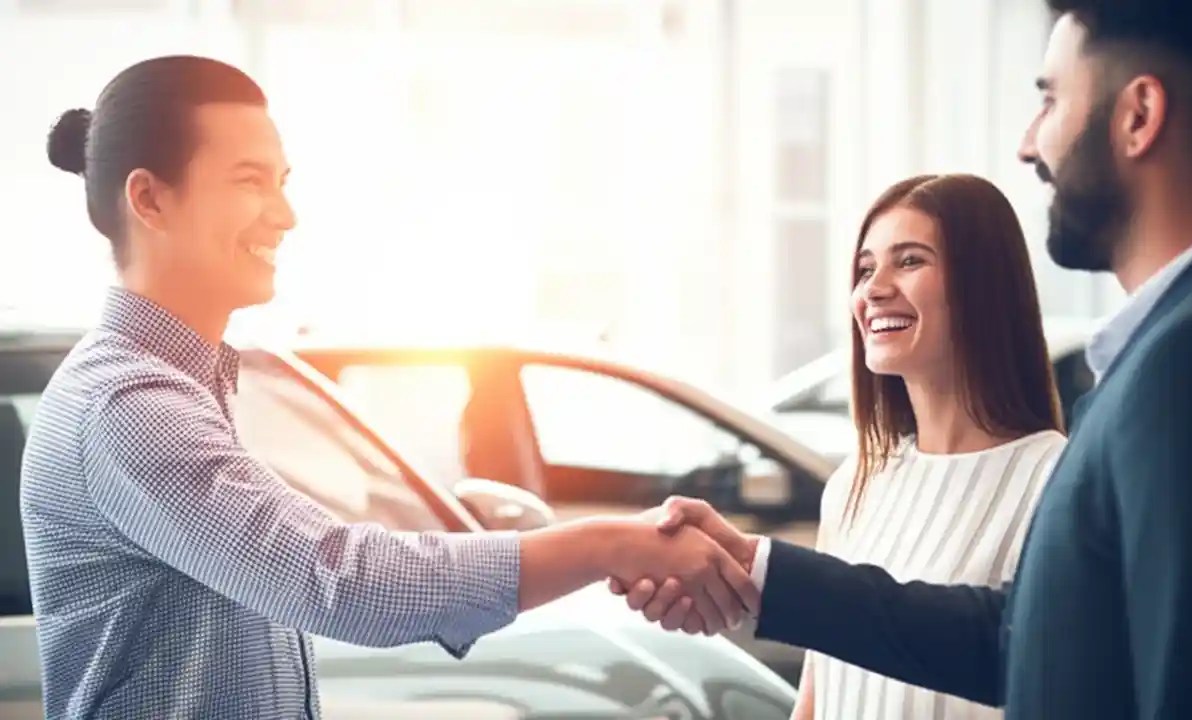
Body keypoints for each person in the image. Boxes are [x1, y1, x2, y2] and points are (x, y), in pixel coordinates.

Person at [18, 55, 758, 720]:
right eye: (250, 182)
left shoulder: (187, 388)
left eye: (281, 183)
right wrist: (607, 544)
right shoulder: (128, 406)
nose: (285, 215)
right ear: (148, 201)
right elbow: (339, 579)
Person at [620, 1, 1192, 717]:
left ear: (1138, 115)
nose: (1030, 145)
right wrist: (760, 571)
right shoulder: (1190, 346)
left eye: (1050, 99)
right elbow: (1017, 641)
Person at [617, 173, 1067, 720]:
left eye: (910, 261)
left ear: (984, 285)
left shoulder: (1054, 481)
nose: (874, 289)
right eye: (865, 269)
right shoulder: (856, 483)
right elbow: (815, 701)